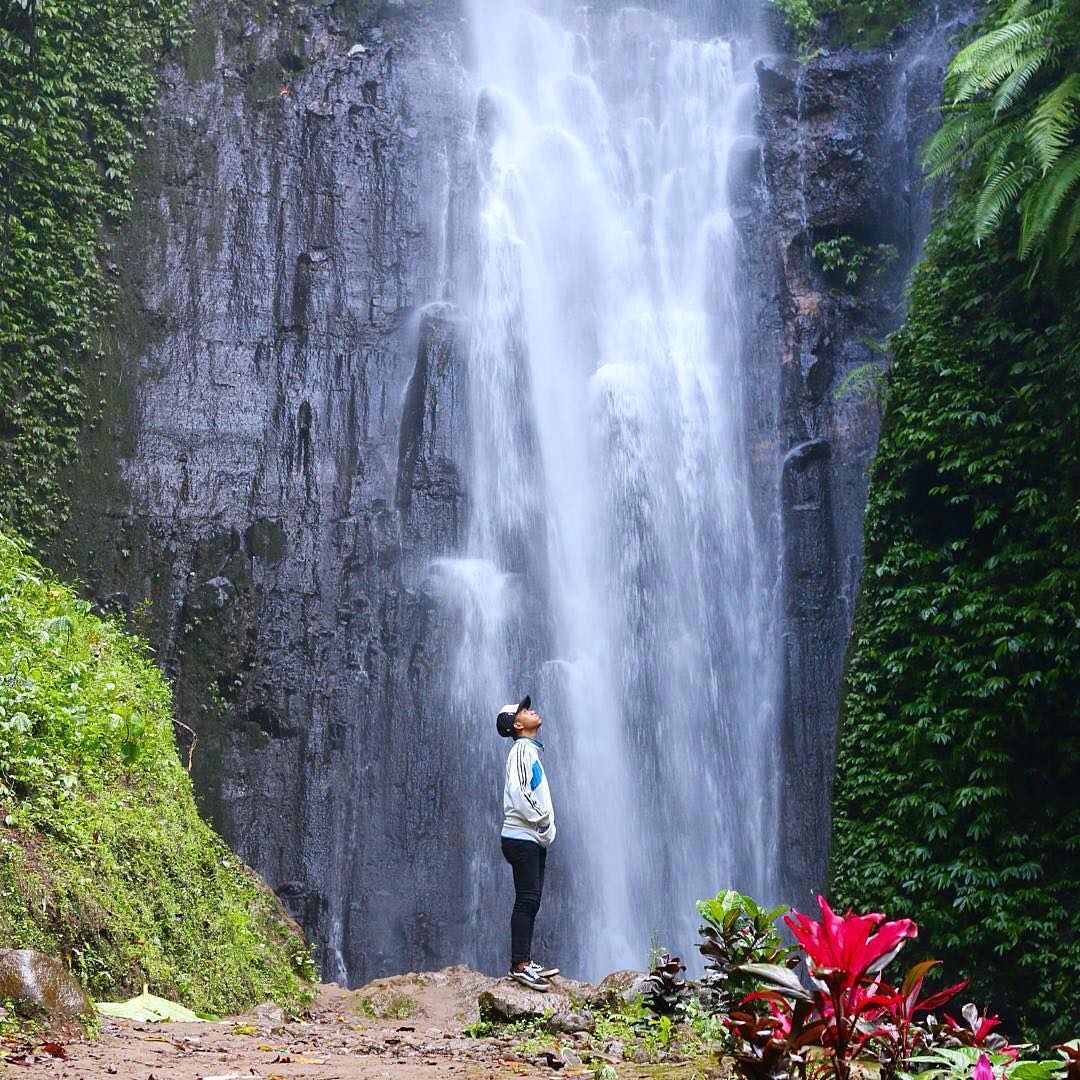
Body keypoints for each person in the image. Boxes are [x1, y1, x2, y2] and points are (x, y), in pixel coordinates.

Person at [496, 694, 559, 991]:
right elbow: (521, 792)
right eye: (525, 710)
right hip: (522, 836)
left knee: (531, 900)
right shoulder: (522, 750)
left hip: (530, 837)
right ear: (518, 724)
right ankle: (519, 965)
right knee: (526, 900)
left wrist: (544, 829)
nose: (532, 710)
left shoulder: (528, 750)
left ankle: (525, 961)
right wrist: (543, 821)